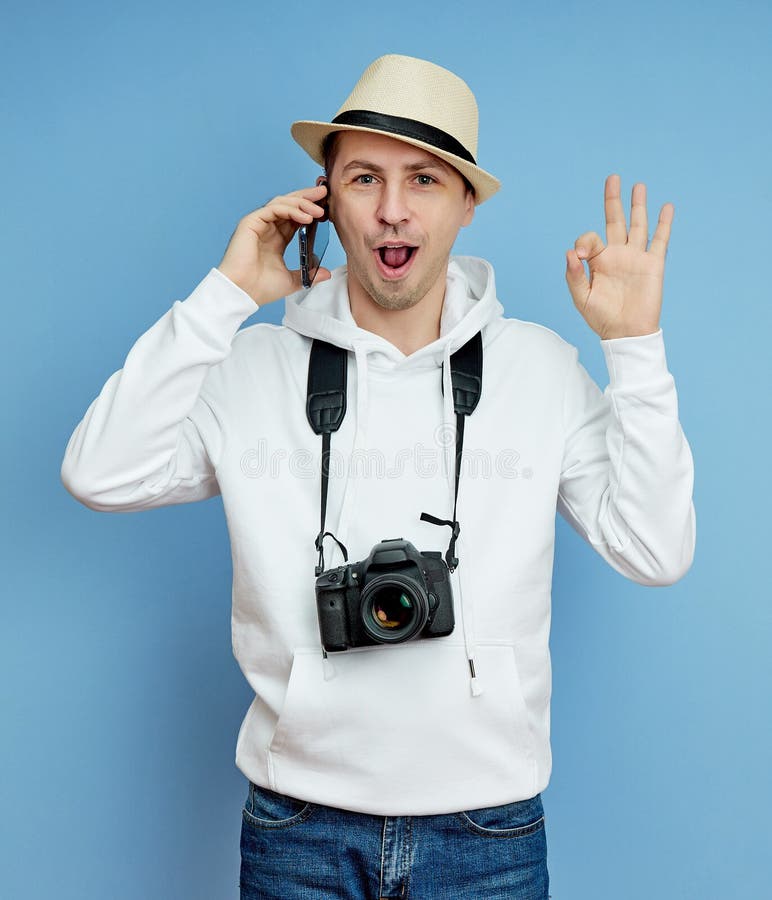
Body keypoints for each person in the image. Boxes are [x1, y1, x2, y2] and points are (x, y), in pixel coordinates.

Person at [60, 54, 696, 899]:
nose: (393, 210)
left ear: (468, 203)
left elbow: (656, 551)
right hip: (299, 829)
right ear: (324, 198)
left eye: (424, 180)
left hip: (489, 829)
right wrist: (222, 296)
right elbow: (98, 471)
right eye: (364, 178)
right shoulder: (252, 363)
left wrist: (636, 350)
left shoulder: (538, 369)